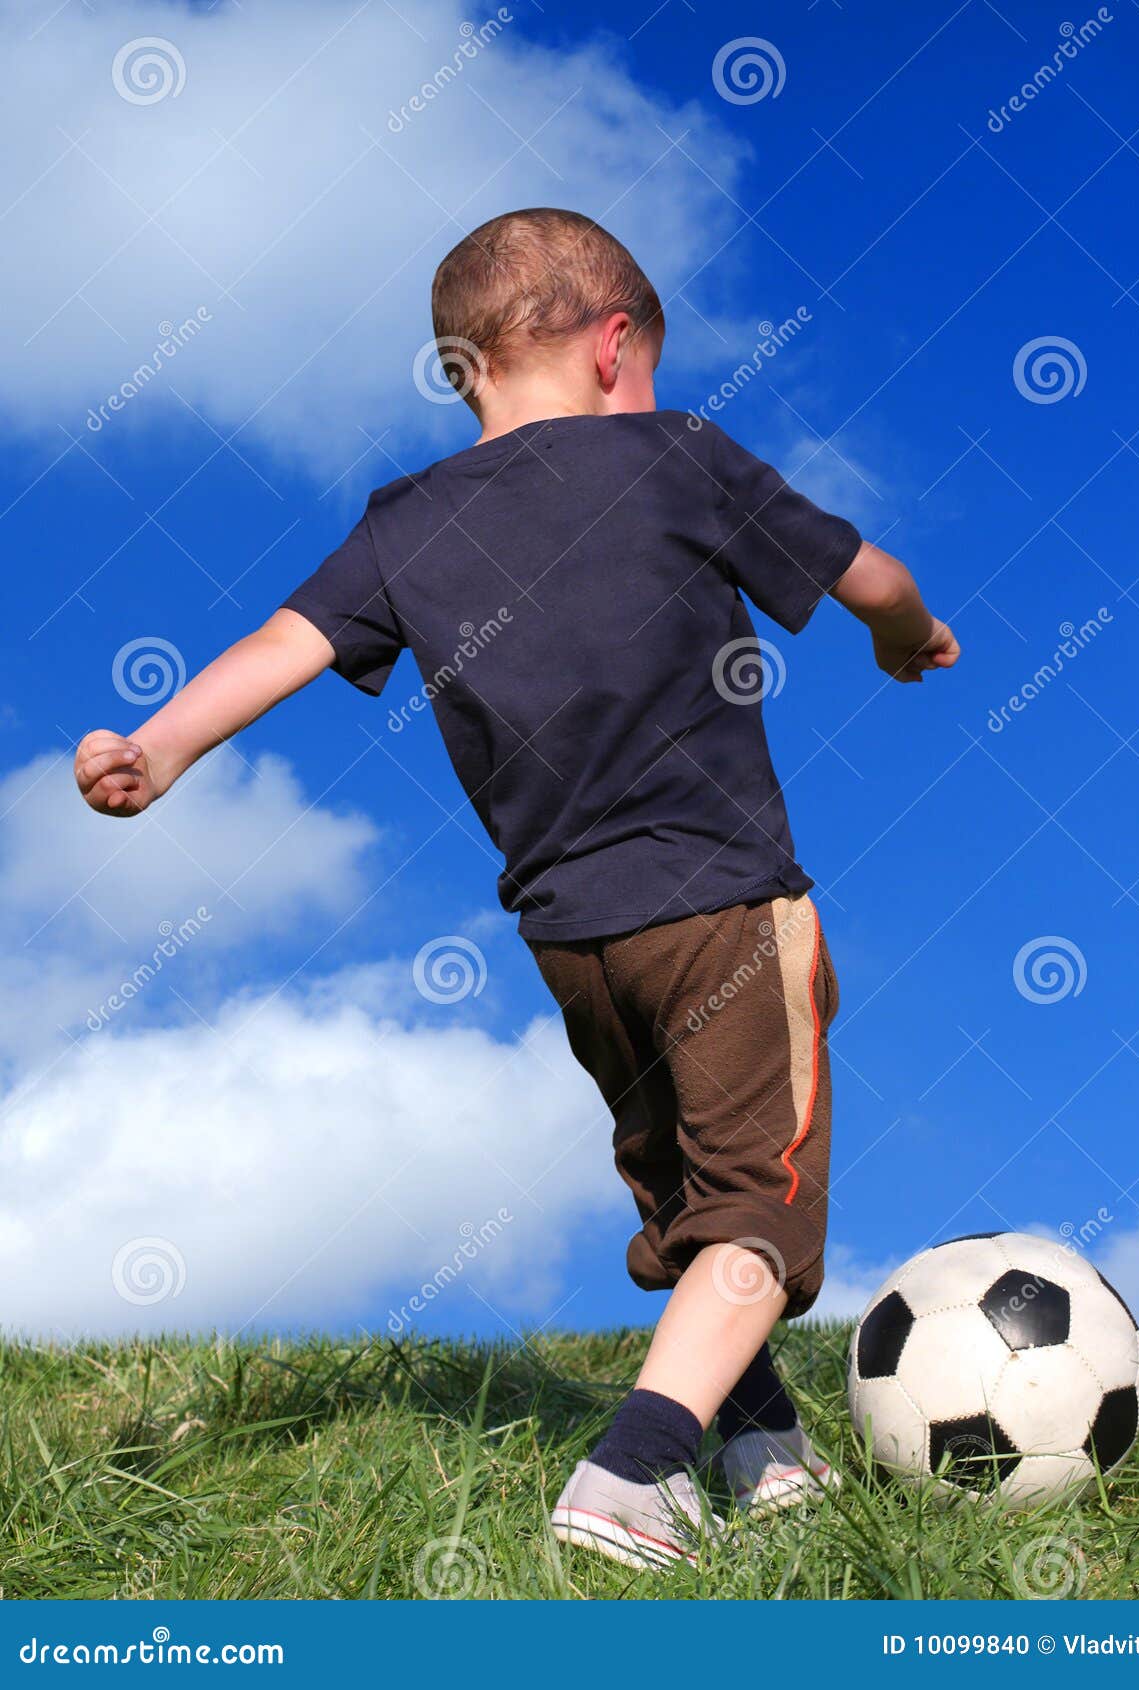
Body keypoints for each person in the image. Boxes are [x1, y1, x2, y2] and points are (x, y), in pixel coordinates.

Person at [74, 207, 959, 1570]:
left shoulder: (406, 523)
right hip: (722, 902)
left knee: (675, 1191)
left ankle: (762, 1450)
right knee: (752, 1215)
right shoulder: (678, 455)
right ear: (617, 348)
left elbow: (278, 645)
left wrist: (157, 749)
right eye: (649, 365)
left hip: (571, 940)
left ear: (464, 363)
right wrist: (911, 634)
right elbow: (872, 576)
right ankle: (628, 1469)